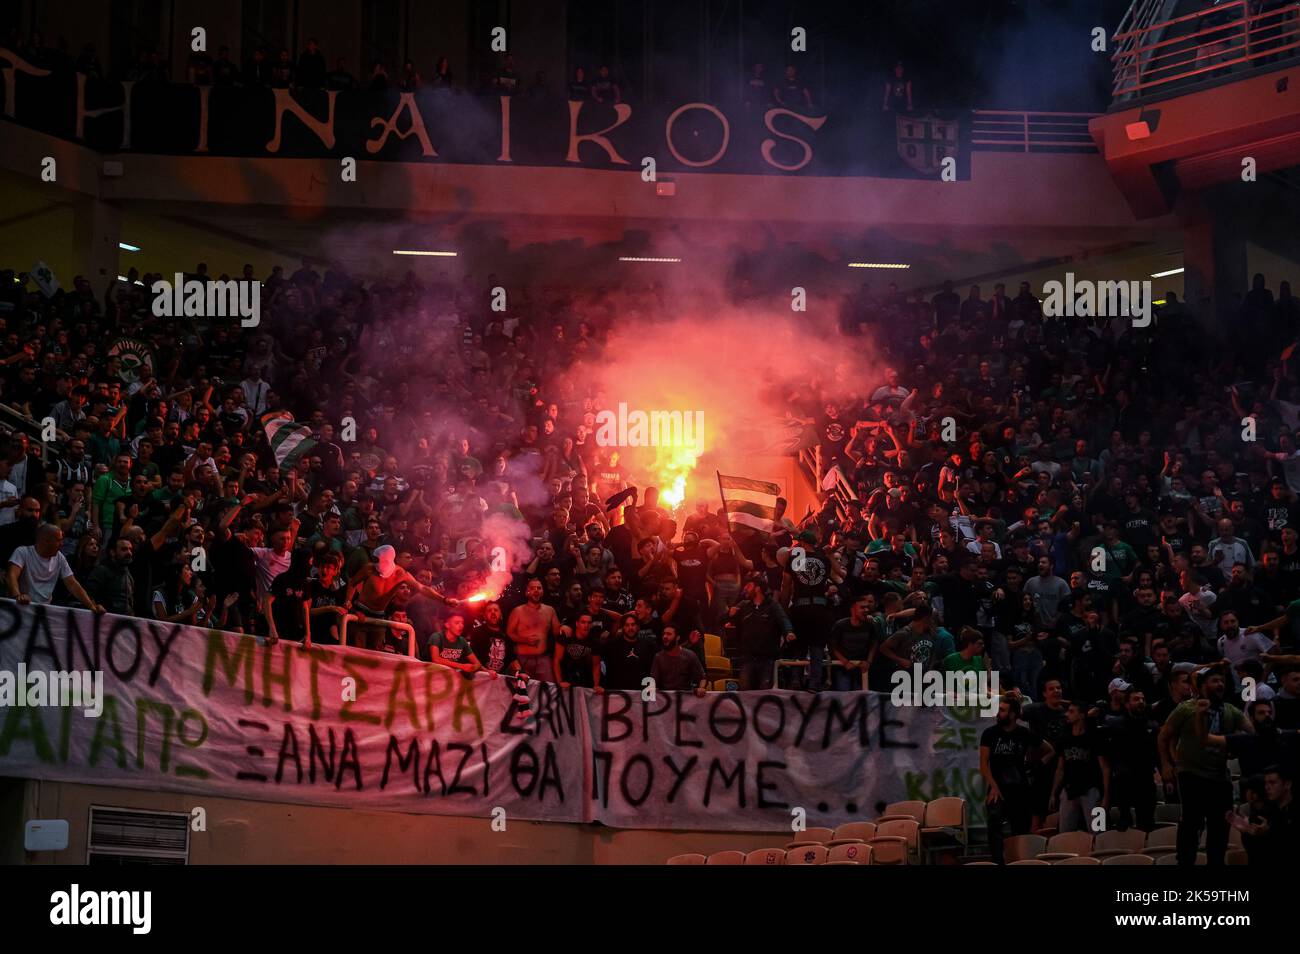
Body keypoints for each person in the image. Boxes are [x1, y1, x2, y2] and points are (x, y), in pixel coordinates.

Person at [1161, 669, 1248, 865]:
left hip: (1219, 775)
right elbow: (1163, 737)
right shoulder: (1186, 709)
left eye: (1223, 681)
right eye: (1215, 680)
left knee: (1221, 826)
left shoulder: (1231, 710)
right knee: (1191, 824)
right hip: (1192, 773)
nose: (1220, 685)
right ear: (1201, 686)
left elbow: (1251, 732)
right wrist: (1167, 763)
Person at [980, 695, 1054, 864]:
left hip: (1019, 787)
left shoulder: (1024, 733)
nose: (998, 713)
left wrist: (1038, 765)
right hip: (997, 787)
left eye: (1002, 710)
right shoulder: (990, 734)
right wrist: (994, 787)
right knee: (994, 820)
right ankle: (997, 861)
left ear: (1013, 714)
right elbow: (984, 765)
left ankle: (1018, 860)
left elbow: (1049, 750)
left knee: (1020, 828)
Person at [7, 523, 104, 612]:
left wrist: (91, 606)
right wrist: (17, 595)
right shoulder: (23, 552)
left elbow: (72, 584)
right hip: (22, 607)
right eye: (58, 540)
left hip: (44, 609)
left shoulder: (59, 557)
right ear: (46, 540)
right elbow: (12, 575)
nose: (62, 544)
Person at [1050, 700, 1109, 832]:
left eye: (1071, 711)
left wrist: (1106, 796)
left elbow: (1105, 768)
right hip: (1069, 789)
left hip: (1092, 789)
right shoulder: (1064, 739)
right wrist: (1054, 793)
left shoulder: (1095, 737)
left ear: (1082, 715)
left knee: (1098, 831)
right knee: (1064, 833)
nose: (1067, 714)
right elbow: (1060, 769)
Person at [506, 577, 561, 682]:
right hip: (522, 658)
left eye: (539, 588)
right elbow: (509, 633)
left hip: (543, 659)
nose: (536, 590)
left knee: (548, 689)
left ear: (543, 591)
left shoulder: (550, 611)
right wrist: (525, 640)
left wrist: (564, 627)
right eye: (532, 588)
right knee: (522, 692)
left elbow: (557, 633)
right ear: (527, 592)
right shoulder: (518, 611)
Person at [650, 624, 707, 695]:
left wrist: (701, 688)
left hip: (686, 698)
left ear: (677, 638)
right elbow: (653, 680)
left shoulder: (689, 655)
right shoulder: (658, 657)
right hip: (666, 699)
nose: (665, 636)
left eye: (669, 634)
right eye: (663, 634)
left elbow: (702, 677)